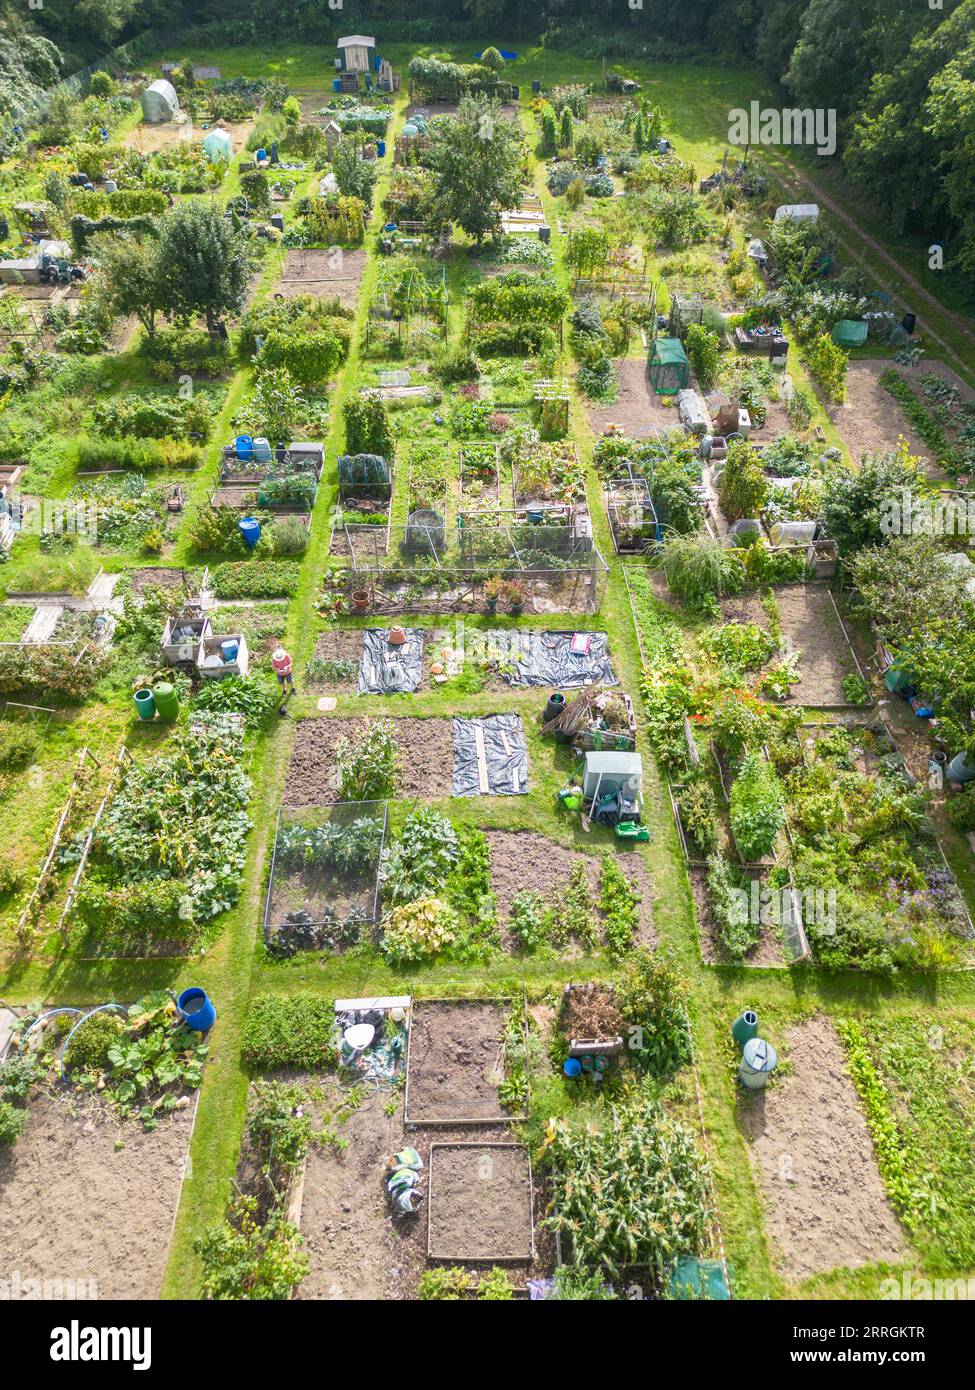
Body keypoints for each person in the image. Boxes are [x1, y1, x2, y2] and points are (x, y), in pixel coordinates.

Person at [272, 646, 296, 713]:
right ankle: (284, 690)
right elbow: (274, 666)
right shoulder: (274, 659)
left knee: (290, 680)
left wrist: (286, 667)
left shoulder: (287, 656)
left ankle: (293, 688)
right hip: (279, 673)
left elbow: (291, 663)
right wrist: (277, 669)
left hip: (288, 672)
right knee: (281, 682)